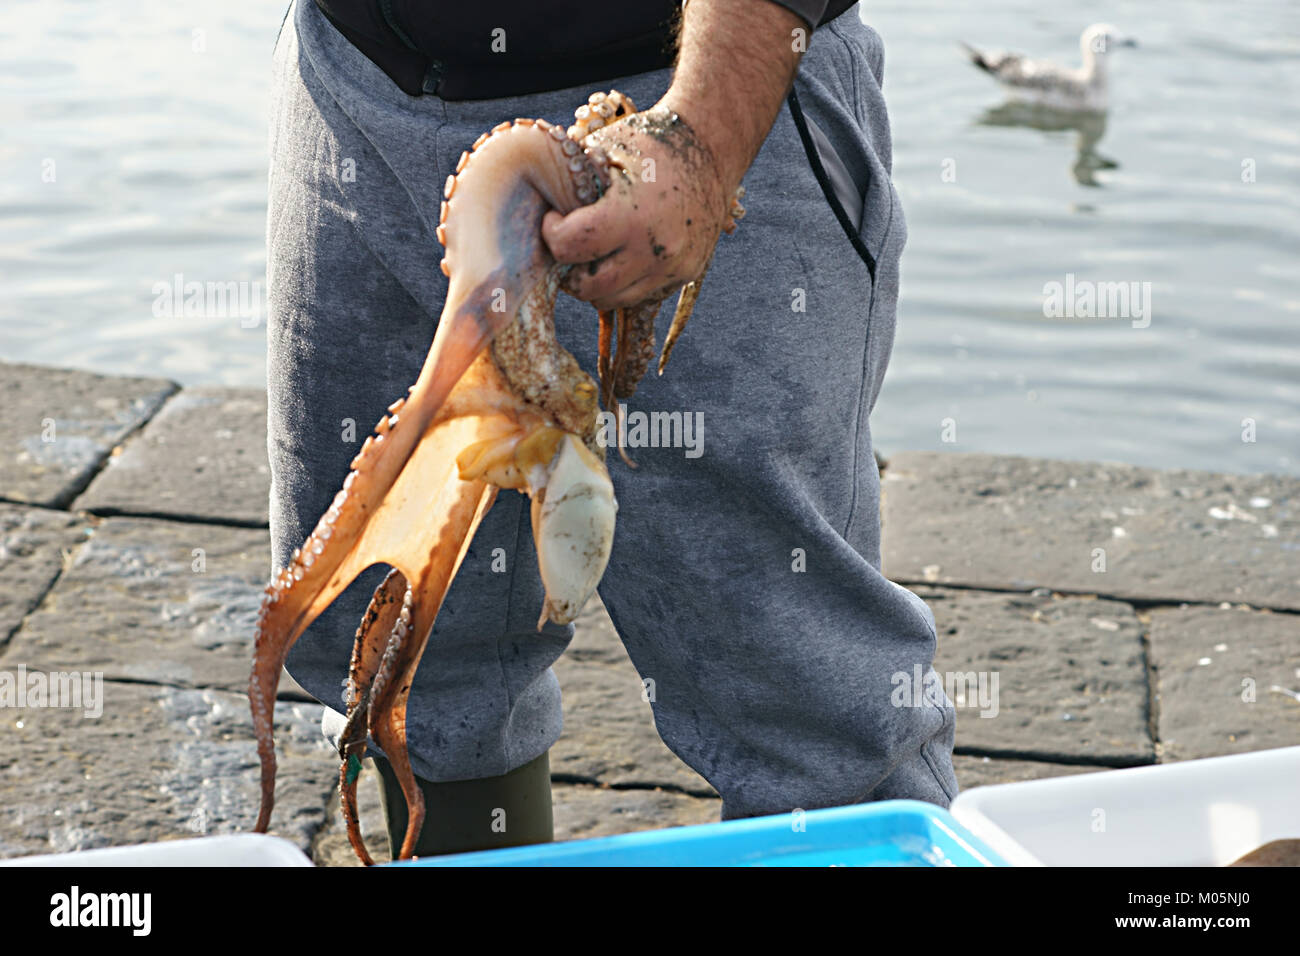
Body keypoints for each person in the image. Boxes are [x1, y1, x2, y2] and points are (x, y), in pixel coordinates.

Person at [267, 0, 958, 858]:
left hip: (686, 90)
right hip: (351, 81)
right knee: (407, 660)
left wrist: (704, 137)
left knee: (801, 688)